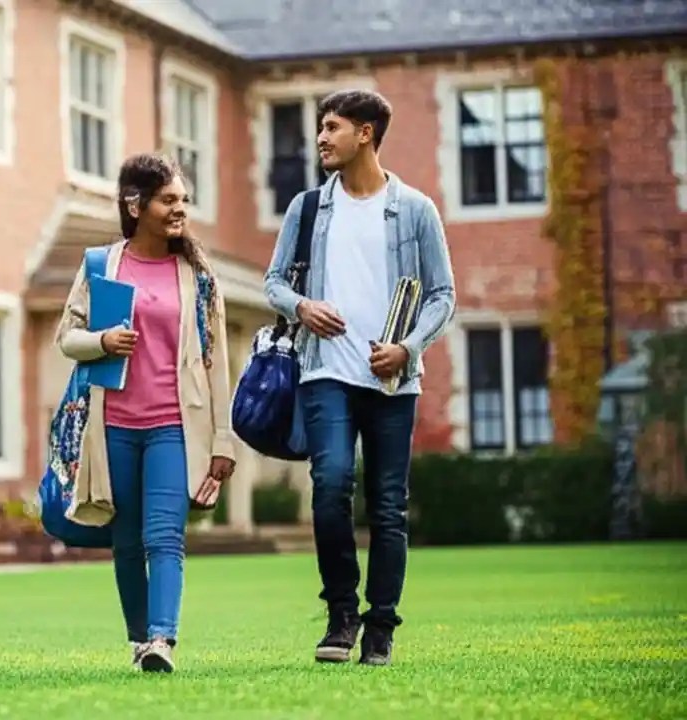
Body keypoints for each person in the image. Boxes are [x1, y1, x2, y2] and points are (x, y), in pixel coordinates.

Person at [263, 90, 455, 666]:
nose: (320, 138)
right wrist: (302, 307)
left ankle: (382, 625)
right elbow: (274, 282)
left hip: (394, 382)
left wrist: (408, 346)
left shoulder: (416, 210)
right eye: (321, 128)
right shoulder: (307, 209)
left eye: (331, 127)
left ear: (365, 133)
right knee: (330, 490)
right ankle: (342, 614)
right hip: (326, 373)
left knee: (389, 507)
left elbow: (443, 295)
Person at [55, 153, 236, 673]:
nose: (179, 209)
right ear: (136, 205)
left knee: (165, 537)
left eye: (183, 200)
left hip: (174, 428)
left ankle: (163, 640)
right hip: (112, 425)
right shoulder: (100, 265)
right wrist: (102, 341)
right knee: (127, 540)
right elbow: (67, 337)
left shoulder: (198, 276)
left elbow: (217, 359)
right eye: (168, 200)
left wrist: (223, 440)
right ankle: (139, 641)